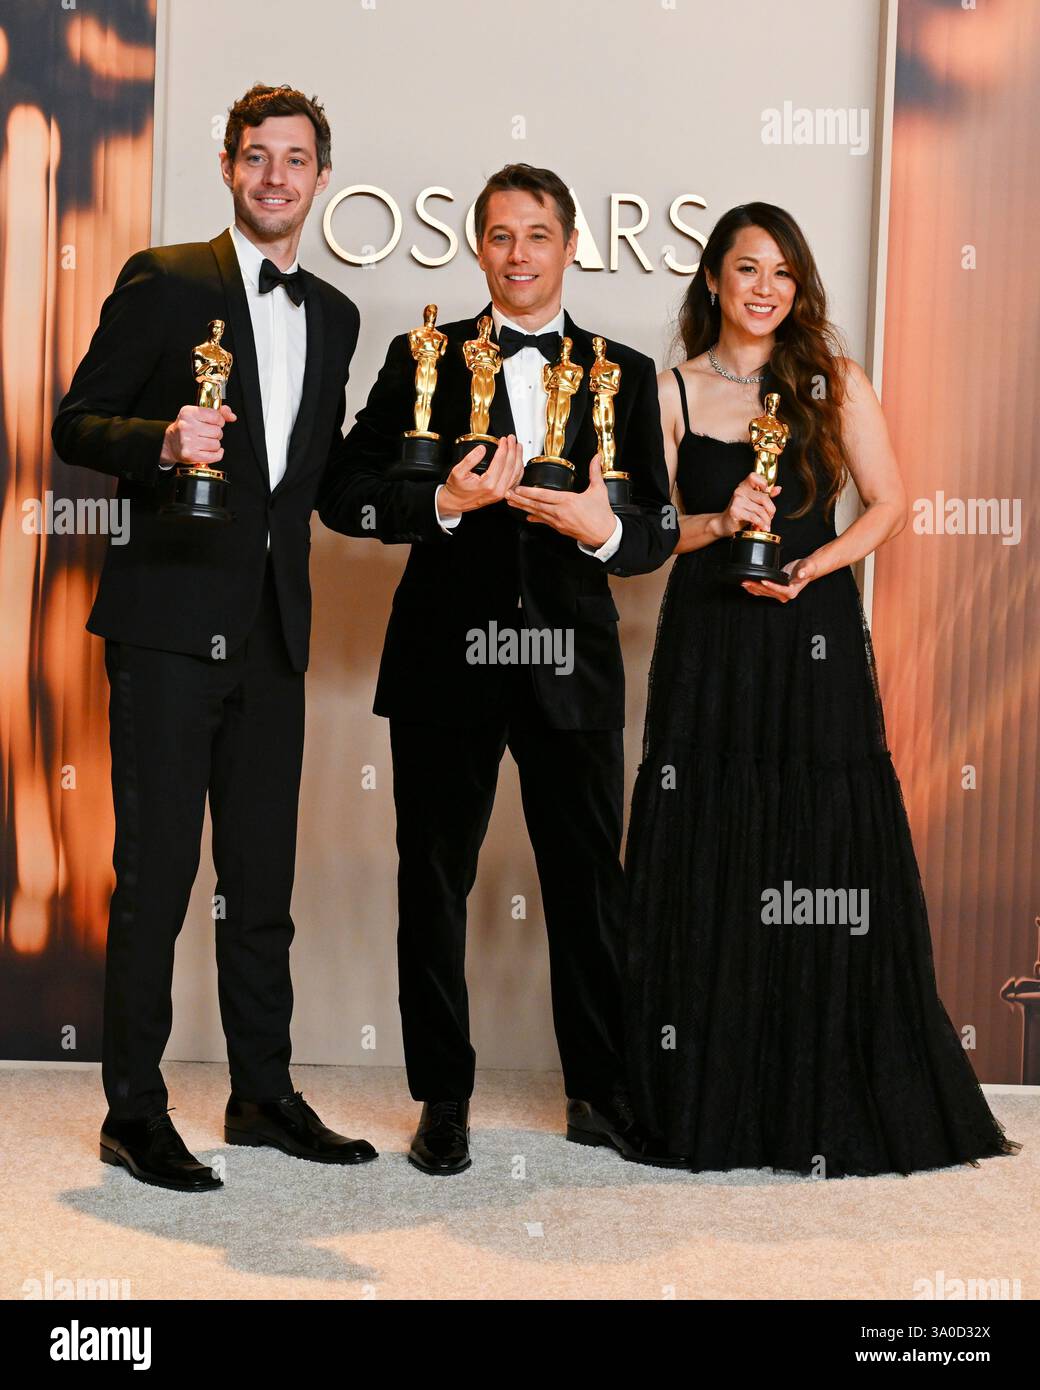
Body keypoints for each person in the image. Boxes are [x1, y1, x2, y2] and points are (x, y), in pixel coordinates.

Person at [623, 201, 1020, 1177]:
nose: (762, 288)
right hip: (710, 643)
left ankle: (817, 1090)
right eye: (745, 268)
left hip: (809, 636)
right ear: (712, 276)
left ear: (797, 288)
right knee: (711, 836)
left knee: (815, 846)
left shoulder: (829, 379)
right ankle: (703, 1095)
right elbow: (648, 533)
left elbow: (888, 503)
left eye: (781, 273)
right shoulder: (667, 391)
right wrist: (719, 521)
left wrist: (812, 566)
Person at [318, 163, 680, 1174]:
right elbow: (341, 492)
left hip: (571, 666)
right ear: (477, 248)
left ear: (569, 246)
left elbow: (655, 527)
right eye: (500, 236)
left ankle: (599, 1091)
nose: (518, 253)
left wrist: (604, 530)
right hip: (445, 664)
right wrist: (438, 508)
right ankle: (441, 1097)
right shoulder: (419, 358)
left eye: (536, 234)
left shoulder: (622, 369)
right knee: (431, 881)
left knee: (585, 889)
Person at [51, 83, 376, 1192]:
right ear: (229, 169)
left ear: (320, 177)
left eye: (295, 159)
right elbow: (74, 420)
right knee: (154, 878)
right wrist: (160, 437)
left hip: (273, 635)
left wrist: (438, 502)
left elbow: (318, 487)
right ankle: (131, 1113)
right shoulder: (167, 278)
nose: (276, 176)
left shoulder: (334, 315)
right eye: (256, 156)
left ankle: (261, 1093)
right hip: (165, 631)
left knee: (260, 882)